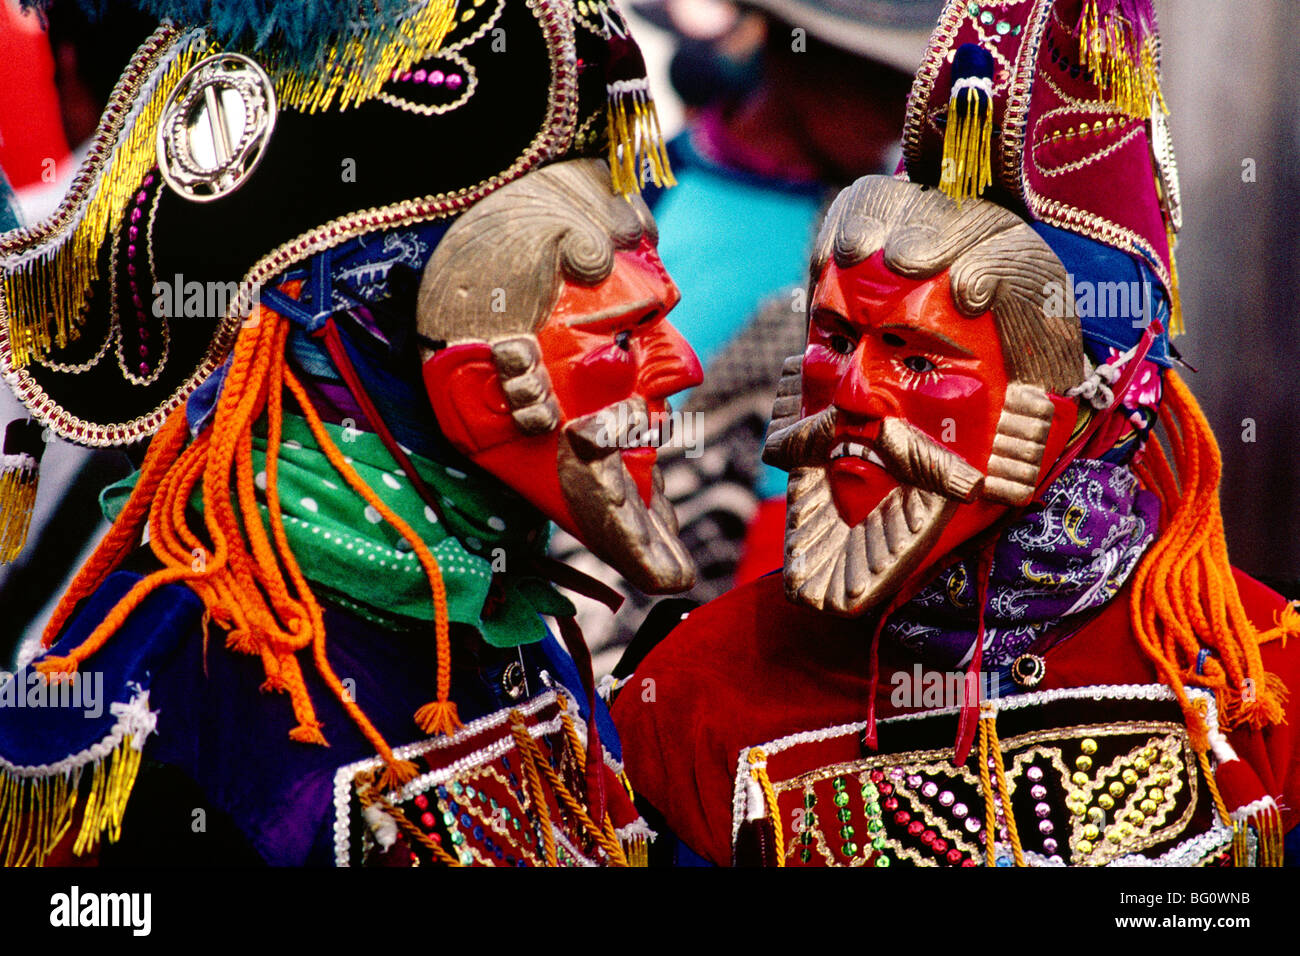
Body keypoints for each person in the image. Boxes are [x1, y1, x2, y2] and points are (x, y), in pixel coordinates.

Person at [0, 0, 697, 867]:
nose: (684, 366)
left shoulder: (497, 624)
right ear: (410, 340)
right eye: (615, 328)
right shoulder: (171, 663)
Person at [613, 0, 1300, 867]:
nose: (851, 393)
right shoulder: (691, 693)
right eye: (833, 340)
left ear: (1075, 404)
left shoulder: (1263, 678)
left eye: (916, 358)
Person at [554, 0, 944, 672]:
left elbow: (798, 533)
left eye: (907, 88)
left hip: (688, 651)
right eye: (873, 78)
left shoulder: (868, 265)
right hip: (543, 616)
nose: (894, 110)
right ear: (797, 55)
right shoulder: (627, 192)